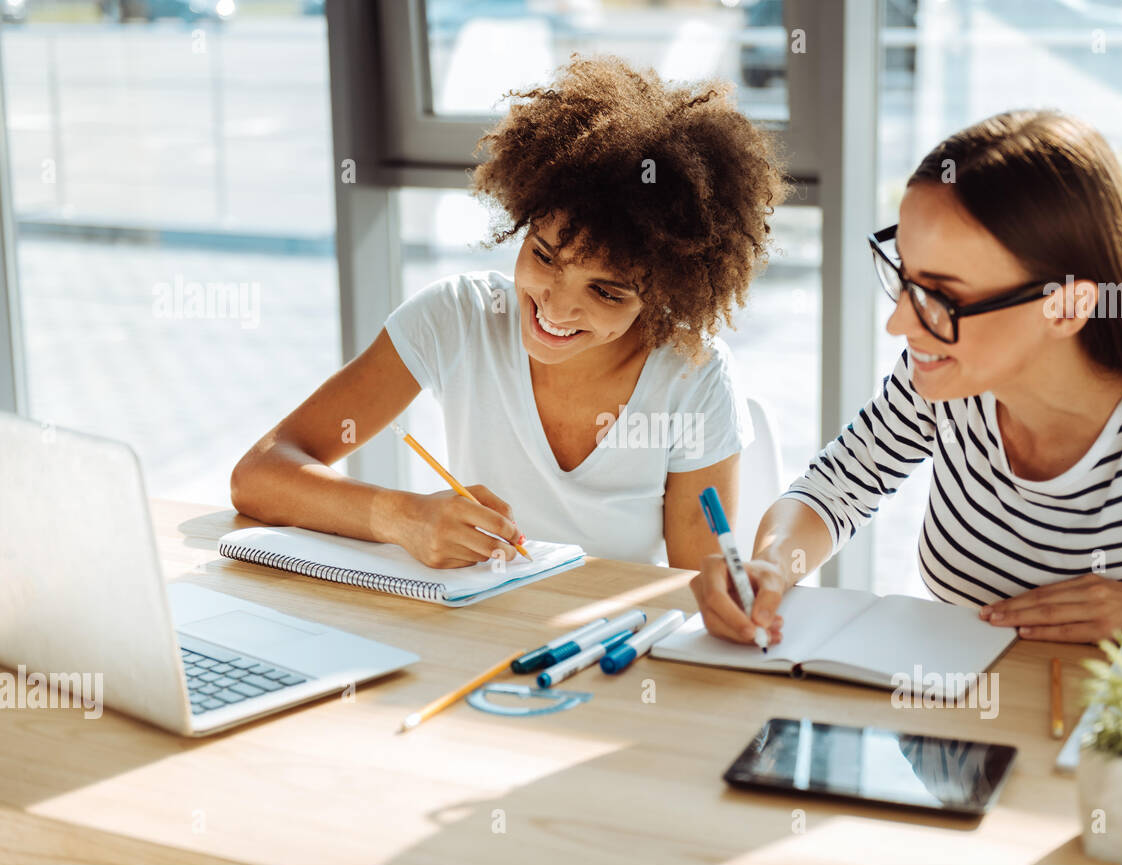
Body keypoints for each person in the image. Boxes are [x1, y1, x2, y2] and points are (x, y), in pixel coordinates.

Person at [692, 109, 1122, 650]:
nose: (900, 323)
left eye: (943, 296)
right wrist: (772, 566)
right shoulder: (955, 387)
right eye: (905, 277)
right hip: (955, 750)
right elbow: (837, 490)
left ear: (1065, 307)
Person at [231, 56, 789, 570]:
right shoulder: (456, 318)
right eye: (544, 256)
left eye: (607, 293)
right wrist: (402, 517)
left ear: (663, 295)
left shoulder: (692, 377)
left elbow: (694, 595)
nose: (556, 305)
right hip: (476, 637)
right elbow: (259, 475)